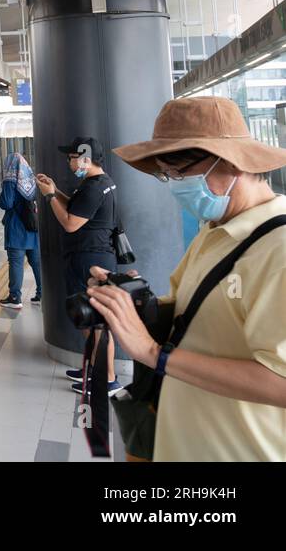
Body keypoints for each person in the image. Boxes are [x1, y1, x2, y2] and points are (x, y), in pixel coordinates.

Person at [89, 96, 286, 461]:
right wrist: (131, 301)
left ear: (230, 163)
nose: (174, 184)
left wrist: (152, 355)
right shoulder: (215, 231)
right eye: (168, 175)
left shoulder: (280, 250)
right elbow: (188, 313)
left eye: (180, 173)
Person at [34, 136, 120, 395]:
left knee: (97, 324)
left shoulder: (94, 187)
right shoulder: (98, 183)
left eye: (71, 158)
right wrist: (56, 190)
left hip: (91, 260)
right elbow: (76, 206)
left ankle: (107, 380)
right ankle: (93, 368)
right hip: (88, 257)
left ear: (84, 158)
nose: (69, 162)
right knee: (88, 320)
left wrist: (49, 199)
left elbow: (71, 222)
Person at [0, 152, 42, 309]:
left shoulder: (10, 180)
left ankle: (15, 297)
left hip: (17, 227)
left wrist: (1, 197)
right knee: (36, 262)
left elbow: (6, 203)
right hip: (33, 226)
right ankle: (42, 294)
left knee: (16, 262)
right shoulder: (30, 177)